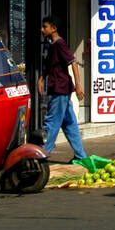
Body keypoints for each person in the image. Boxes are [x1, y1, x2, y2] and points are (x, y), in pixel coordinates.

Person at [38, 16, 88, 163]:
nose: (42, 30)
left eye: (45, 27)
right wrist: (41, 78)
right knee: (70, 124)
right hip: (61, 89)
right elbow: (50, 66)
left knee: (51, 122)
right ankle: (81, 156)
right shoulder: (52, 45)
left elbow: (73, 62)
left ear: (54, 28)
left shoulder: (60, 44)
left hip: (60, 89)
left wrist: (78, 85)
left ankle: (42, 154)